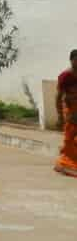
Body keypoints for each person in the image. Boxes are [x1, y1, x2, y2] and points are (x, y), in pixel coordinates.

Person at [56, 49, 77, 178]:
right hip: (70, 110)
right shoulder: (65, 75)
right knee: (69, 137)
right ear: (71, 60)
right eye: (76, 59)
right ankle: (65, 164)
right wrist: (59, 115)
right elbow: (58, 96)